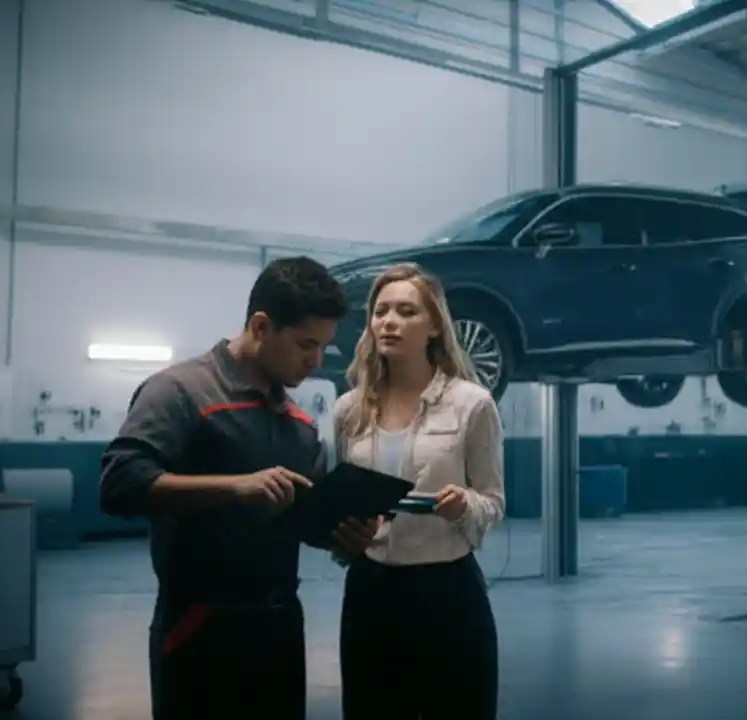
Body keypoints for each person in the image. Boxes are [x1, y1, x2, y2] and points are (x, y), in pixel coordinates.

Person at [99, 256, 379, 720]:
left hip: (281, 627)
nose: (314, 361)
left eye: (323, 347)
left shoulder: (300, 426)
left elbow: (301, 517)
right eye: (305, 344)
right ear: (261, 325)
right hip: (198, 625)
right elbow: (119, 483)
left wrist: (345, 535)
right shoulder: (180, 392)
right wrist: (236, 488)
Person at [334, 262, 505, 720]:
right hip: (371, 591)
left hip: (447, 592)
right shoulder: (348, 410)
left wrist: (464, 505)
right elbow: (339, 502)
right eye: (381, 311)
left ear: (434, 326)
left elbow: (493, 499)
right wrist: (342, 536)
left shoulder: (472, 404)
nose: (389, 321)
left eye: (406, 311)